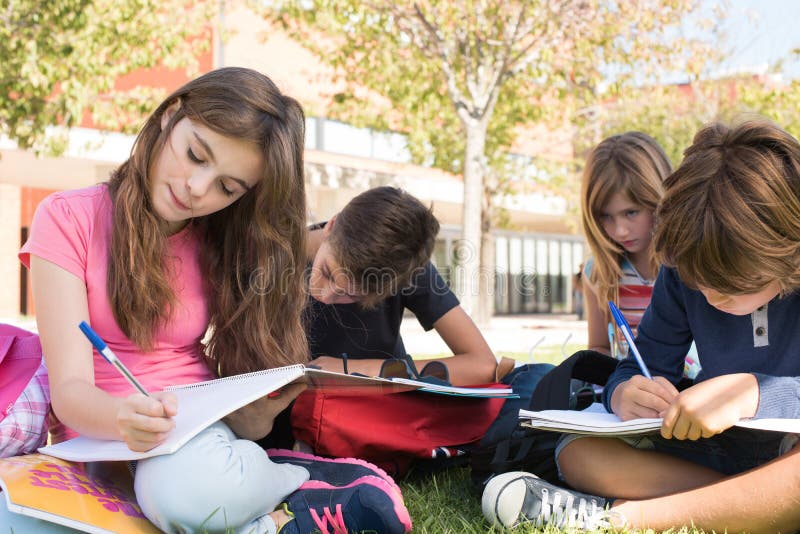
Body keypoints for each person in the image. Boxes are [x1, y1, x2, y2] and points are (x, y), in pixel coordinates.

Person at [10, 67, 410, 534]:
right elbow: (72, 392)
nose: (197, 190)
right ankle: (273, 517)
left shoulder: (222, 243)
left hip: (191, 440)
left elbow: (239, 407)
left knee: (178, 494)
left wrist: (257, 416)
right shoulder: (67, 218)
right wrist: (121, 417)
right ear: (170, 116)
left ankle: (295, 482)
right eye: (196, 155)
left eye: (227, 188)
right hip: (98, 438)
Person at [482, 118, 800, 533]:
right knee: (578, 452)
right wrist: (623, 393)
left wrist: (756, 392)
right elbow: (641, 362)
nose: (704, 294)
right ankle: (757, 505)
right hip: (719, 448)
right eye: (694, 279)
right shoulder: (679, 269)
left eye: (726, 283)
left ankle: (615, 520)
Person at [302, 186, 496, 384]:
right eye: (327, 272)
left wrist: (349, 370)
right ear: (331, 225)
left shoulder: (404, 265)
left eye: (352, 295)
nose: (323, 295)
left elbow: (483, 364)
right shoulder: (275, 258)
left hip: (378, 407)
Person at [579, 131, 672, 358]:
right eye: (606, 216)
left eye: (631, 212)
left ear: (660, 200)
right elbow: (599, 347)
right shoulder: (597, 274)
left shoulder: (693, 266)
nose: (620, 230)